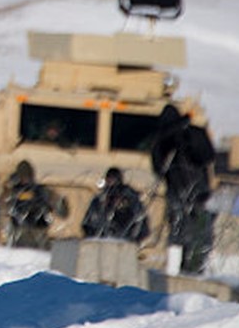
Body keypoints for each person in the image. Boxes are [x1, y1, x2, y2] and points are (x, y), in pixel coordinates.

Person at [150, 104, 217, 273]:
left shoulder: (189, 134)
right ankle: (188, 270)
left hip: (194, 195)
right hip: (189, 195)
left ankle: (193, 269)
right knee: (187, 237)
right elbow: (159, 166)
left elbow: (206, 157)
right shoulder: (166, 140)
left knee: (194, 237)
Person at [0, 160, 68, 250]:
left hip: (39, 232)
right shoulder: (13, 192)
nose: (26, 179)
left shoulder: (41, 191)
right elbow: (3, 208)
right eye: (23, 176)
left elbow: (61, 211)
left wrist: (59, 204)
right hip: (19, 235)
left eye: (27, 176)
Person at [81, 167, 150, 242]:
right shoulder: (99, 200)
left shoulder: (131, 200)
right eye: (108, 182)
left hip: (125, 243)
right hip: (101, 243)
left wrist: (131, 240)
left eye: (113, 182)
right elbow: (87, 224)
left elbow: (142, 226)